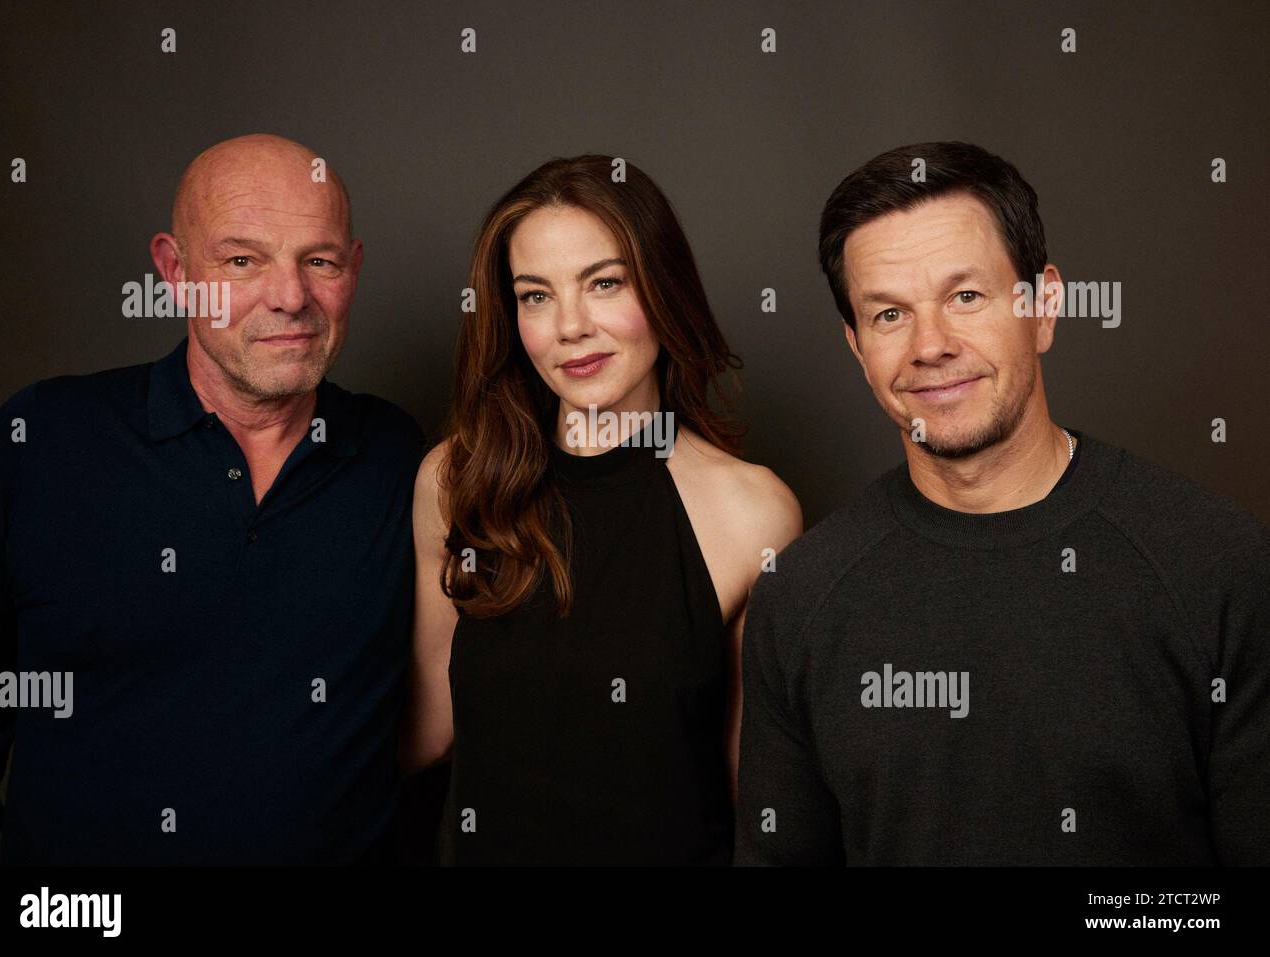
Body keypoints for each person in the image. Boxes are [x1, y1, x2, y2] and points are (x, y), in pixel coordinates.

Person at [735, 141, 1270, 866]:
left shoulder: (1218, 563)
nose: (932, 345)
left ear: (1045, 305)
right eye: (890, 314)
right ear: (857, 348)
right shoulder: (799, 597)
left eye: (966, 296)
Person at [0, 133, 423, 864]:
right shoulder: (43, 442)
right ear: (175, 272)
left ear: (354, 269)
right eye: (243, 260)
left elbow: (440, 720)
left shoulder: (403, 461)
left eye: (320, 261)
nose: (290, 296)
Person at [401, 154, 802, 865]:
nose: (570, 327)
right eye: (535, 296)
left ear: (663, 286)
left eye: (604, 283)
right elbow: (429, 727)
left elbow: (758, 796)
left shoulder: (754, 512)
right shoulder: (455, 480)